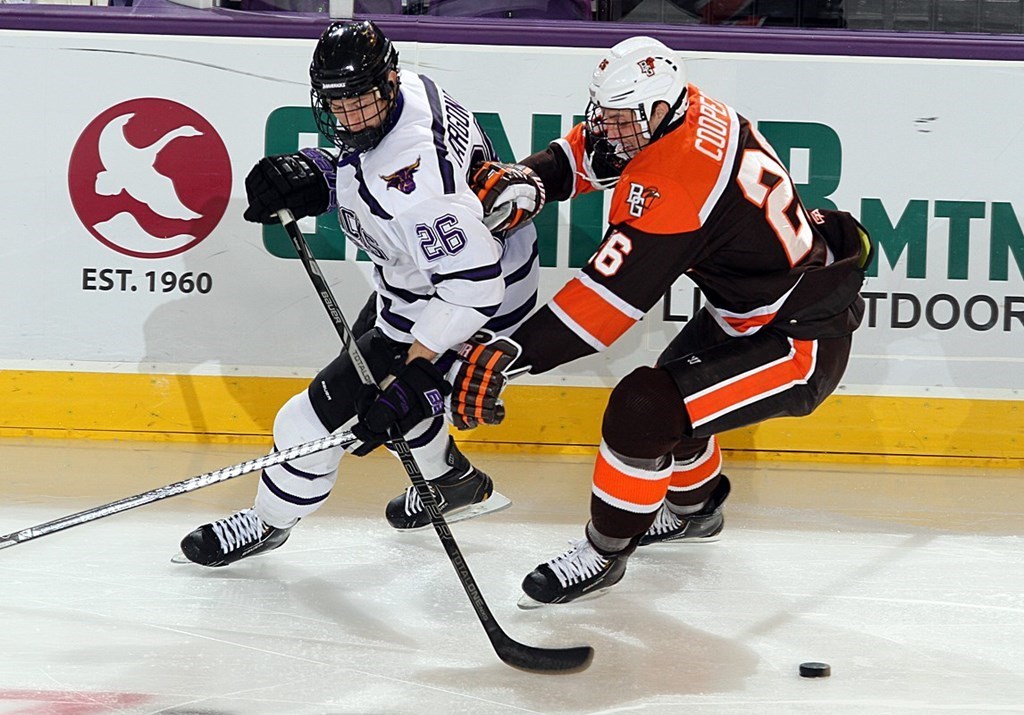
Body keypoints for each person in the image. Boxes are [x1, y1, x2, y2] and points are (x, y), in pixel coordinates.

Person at [451, 36, 872, 606]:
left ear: (656, 109)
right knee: (675, 395)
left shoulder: (677, 180)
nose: (610, 129)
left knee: (645, 407)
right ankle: (696, 512)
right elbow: (595, 151)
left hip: (797, 339)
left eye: (624, 120)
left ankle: (604, 554)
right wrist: (534, 179)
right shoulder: (686, 108)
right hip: (756, 309)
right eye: (607, 115)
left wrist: (507, 353)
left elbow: (602, 308)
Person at [179, 20, 542, 566]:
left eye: (360, 104)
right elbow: (373, 177)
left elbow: (471, 288)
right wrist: (317, 175)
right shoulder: (409, 94)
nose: (348, 118)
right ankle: (453, 483)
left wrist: (420, 369)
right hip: (430, 279)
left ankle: (269, 523)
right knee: (389, 396)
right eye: (337, 105)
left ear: (389, 83)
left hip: (462, 302)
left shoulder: (418, 182)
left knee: (307, 421)